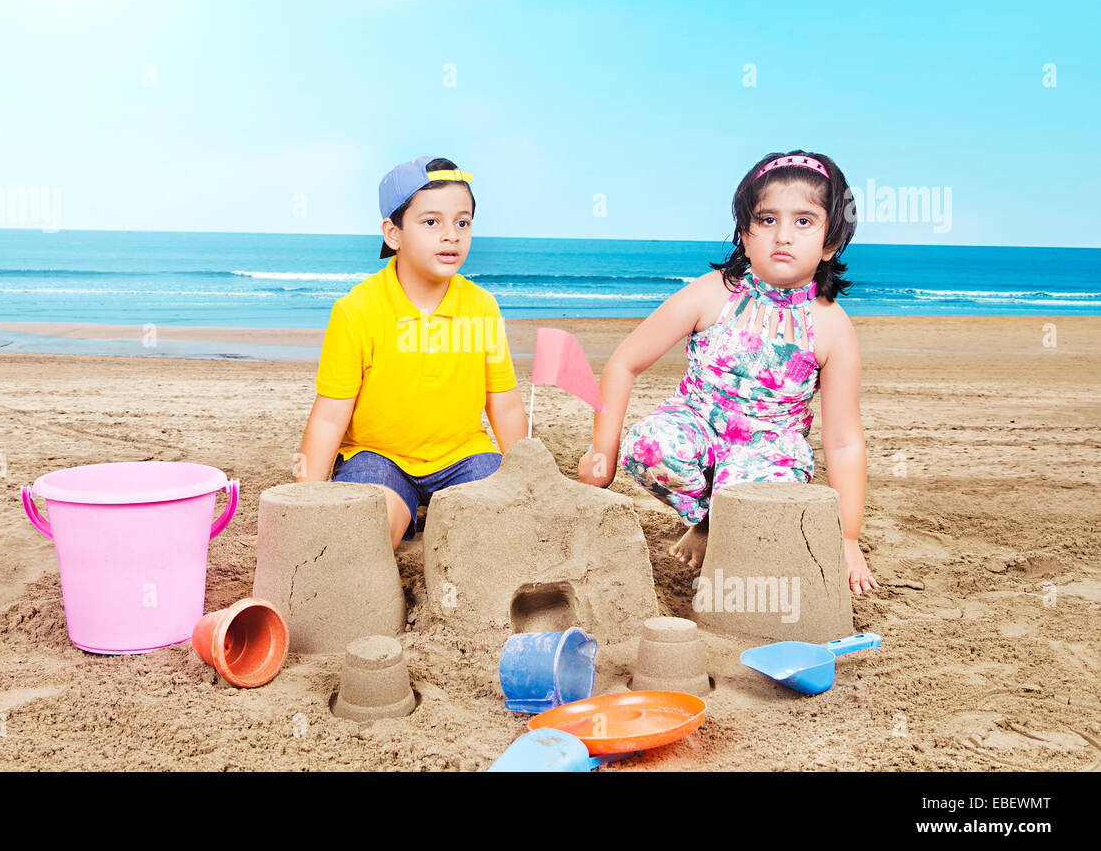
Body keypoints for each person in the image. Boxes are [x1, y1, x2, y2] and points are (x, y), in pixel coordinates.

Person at [578, 150, 879, 595]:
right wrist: (601, 455)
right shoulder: (713, 293)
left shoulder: (831, 326)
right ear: (745, 232)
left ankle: (716, 528)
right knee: (648, 445)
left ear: (831, 242)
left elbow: (844, 440)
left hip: (768, 449)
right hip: (698, 425)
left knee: (759, 508)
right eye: (767, 219)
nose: (783, 235)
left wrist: (849, 539)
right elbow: (625, 362)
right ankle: (703, 518)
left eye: (803, 221)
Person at [298, 156, 528, 548]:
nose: (451, 235)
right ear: (393, 233)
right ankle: (403, 513)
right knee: (368, 532)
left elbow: (503, 405)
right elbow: (328, 419)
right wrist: (303, 505)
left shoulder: (481, 307)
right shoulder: (357, 311)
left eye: (463, 222)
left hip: (464, 455)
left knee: (497, 528)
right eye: (431, 222)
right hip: (378, 457)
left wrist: (529, 477)